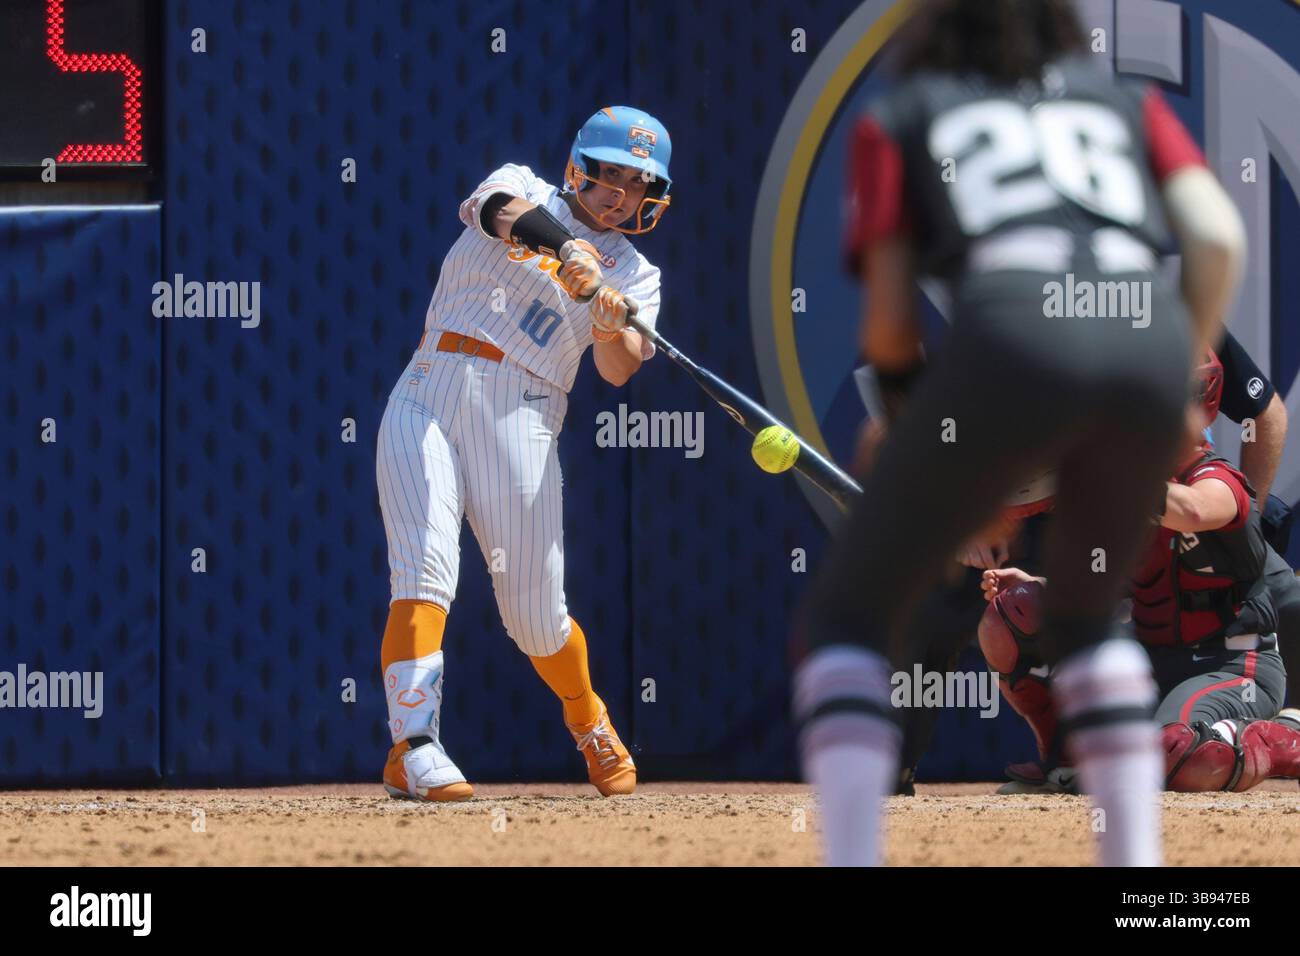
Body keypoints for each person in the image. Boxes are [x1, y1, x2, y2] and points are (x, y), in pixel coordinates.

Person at [792, 0, 1246, 866]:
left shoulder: (903, 112)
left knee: (849, 612)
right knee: (1083, 617)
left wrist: (922, 447)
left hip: (1011, 339)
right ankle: (1138, 881)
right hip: (1145, 341)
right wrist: (1165, 370)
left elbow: (890, 328)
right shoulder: (1121, 103)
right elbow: (1218, 236)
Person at [375, 106, 671, 800]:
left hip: (524, 415)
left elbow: (621, 368)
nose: (620, 195)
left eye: (637, 184)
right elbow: (497, 213)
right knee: (424, 568)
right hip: (428, 384)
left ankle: (587, 716)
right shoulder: (524, 185)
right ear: (579, 167)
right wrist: (564, 248)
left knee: (536, 618)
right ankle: (413, 745)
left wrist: (609, 320)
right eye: (611, 175)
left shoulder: (636, 273)